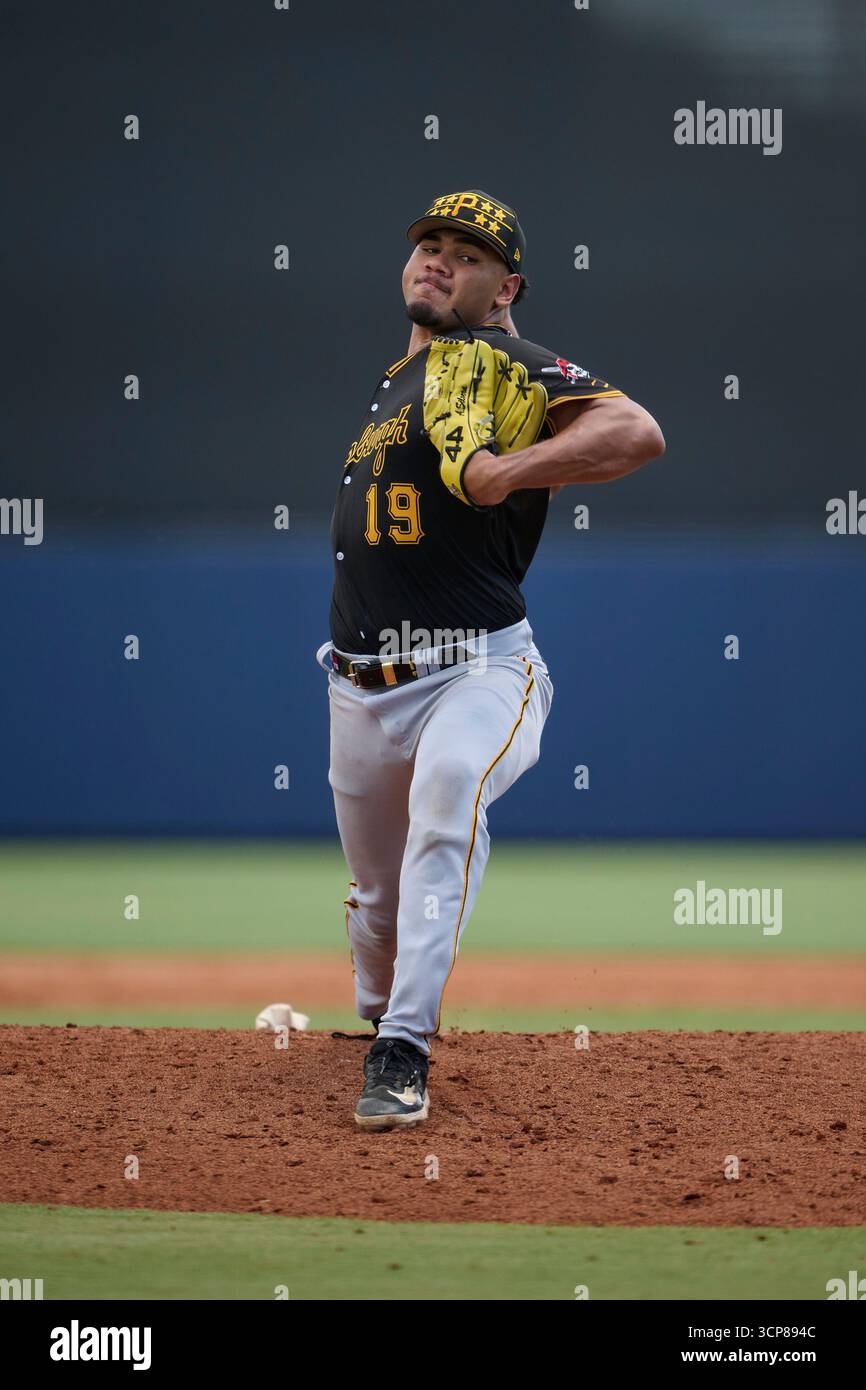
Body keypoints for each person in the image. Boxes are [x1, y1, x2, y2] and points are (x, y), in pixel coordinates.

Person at [315, 189, 665, 1130]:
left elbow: (636, 431)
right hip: (357, 685)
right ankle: (382, 1012)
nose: (437, 259)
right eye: (428, 243)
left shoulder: (507, 359)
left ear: (505, 288)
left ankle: (405, 1049)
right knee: (376, 908)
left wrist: (505, 471)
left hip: (476, 670)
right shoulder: (397, 380)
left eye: (465, 254)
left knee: (449, 796)